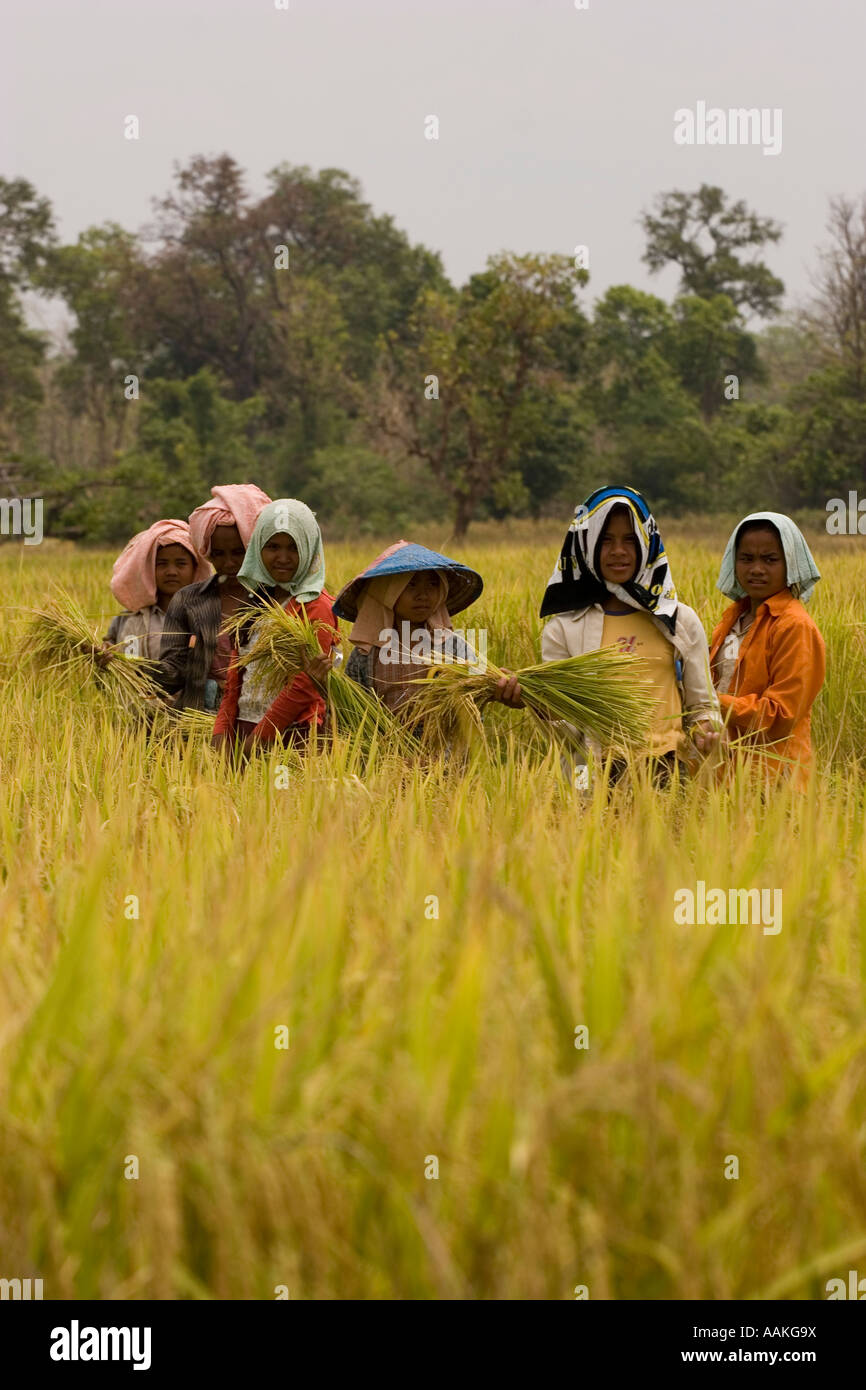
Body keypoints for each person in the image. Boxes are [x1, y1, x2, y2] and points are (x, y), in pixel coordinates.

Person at [539, 486, 721, 785]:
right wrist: (542, 707)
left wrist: (706, 730)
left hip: (667, 772)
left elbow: (703, 704)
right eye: (606, 540)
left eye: (629, 540)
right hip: (592, 773)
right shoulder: (563, 629)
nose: (618, 551)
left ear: (646, 543)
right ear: (588, 544)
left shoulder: (678, 620)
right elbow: (566, 729)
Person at [333, 540, 522, 718]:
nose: (423, 595)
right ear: (387, 592)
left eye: (433, 584)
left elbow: (481, 692)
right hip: (385, 749)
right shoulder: (367, 653)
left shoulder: (455, 647)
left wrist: (501, 688)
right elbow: (350, 713)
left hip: (447, 751)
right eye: (411, 585)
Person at [212, 499, 337, 758]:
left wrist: (260, 739)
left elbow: (307, 684)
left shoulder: (316, 606)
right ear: (258, 548)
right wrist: (222, 731)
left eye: (293, 547)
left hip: (293, 735)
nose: (283, 558)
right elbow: (236, 675)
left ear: (309, 547)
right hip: (245, 731)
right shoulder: (255, 602)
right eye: (273, 546)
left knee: (283, 798)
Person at [709, 512, 825, 790]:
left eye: (770, 560)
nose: (756, 569)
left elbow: (780, 715)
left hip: (775, 782)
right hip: (726, 775)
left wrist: (711, 701)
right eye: (746, 559)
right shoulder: (731, 620)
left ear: (791, 564)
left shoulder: (794, 626)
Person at [157, 484, 271, 712]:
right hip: (198, 716)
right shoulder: (188, 600)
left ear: (253, 547)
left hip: (256, 721)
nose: (229, 563)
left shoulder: (274, 600)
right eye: (219, 554)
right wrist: (130, 666)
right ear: (207, 552)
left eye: (238, 552)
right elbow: (173, 670)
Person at [103, 520, 211, 665]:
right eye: (161, 564)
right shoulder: (128, 618)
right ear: (149, 569)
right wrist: (104, 656)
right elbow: (109, 666)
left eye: (181, 564)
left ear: (195, 569)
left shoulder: (206, 618)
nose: (171, 572)